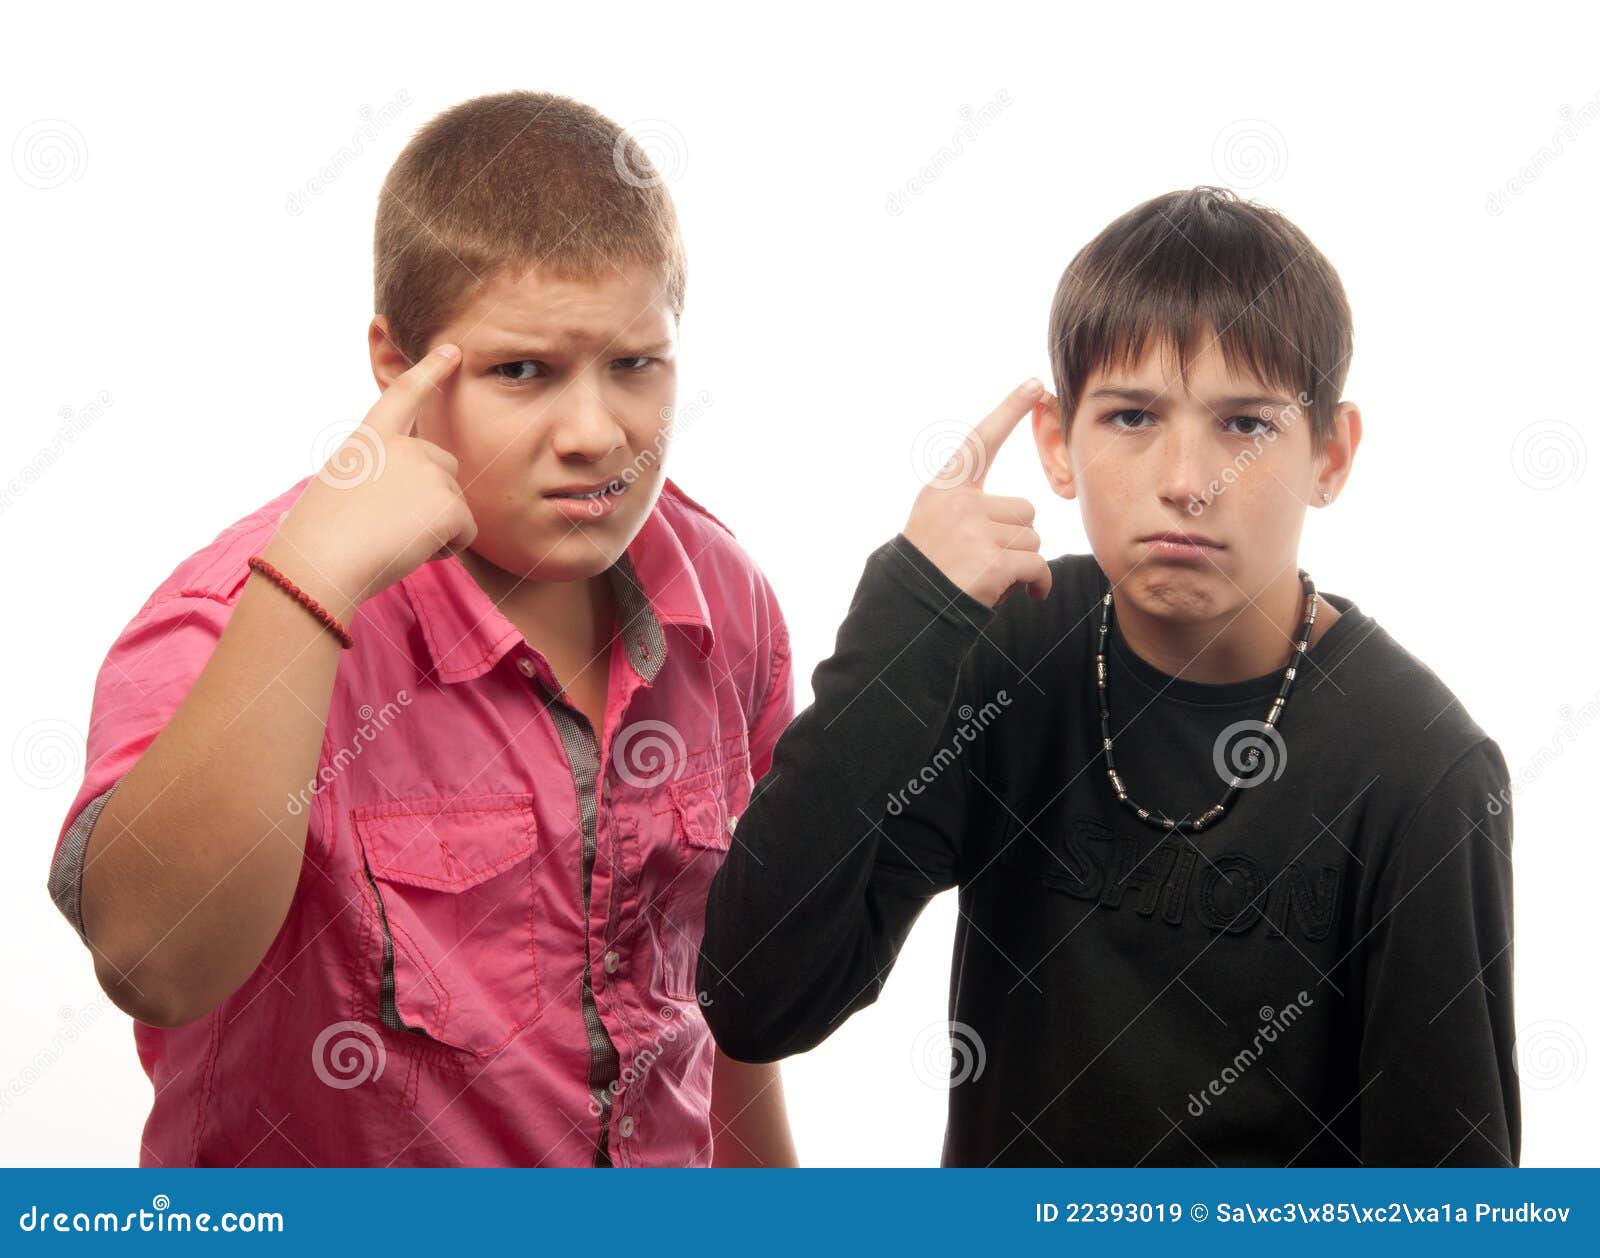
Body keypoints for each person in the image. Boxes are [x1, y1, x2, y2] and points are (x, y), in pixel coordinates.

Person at [47, 91, 797, 1168]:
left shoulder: (722, 597)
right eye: (521, 371)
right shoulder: (231, 612)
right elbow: (152, 962)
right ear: (396, 367)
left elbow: (730, 990)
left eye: (635, 364)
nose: (595, 434)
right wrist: (311, 583)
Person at [699, 187, 1518, 1167]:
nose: (1185, 478)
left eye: (1245, 425)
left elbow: (1453, 1199)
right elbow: (756, 999)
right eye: (1132, 415)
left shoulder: (1421, 769)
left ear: (1329, 453)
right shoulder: (1007, 652)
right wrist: (904, 612)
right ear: (1058, 442)